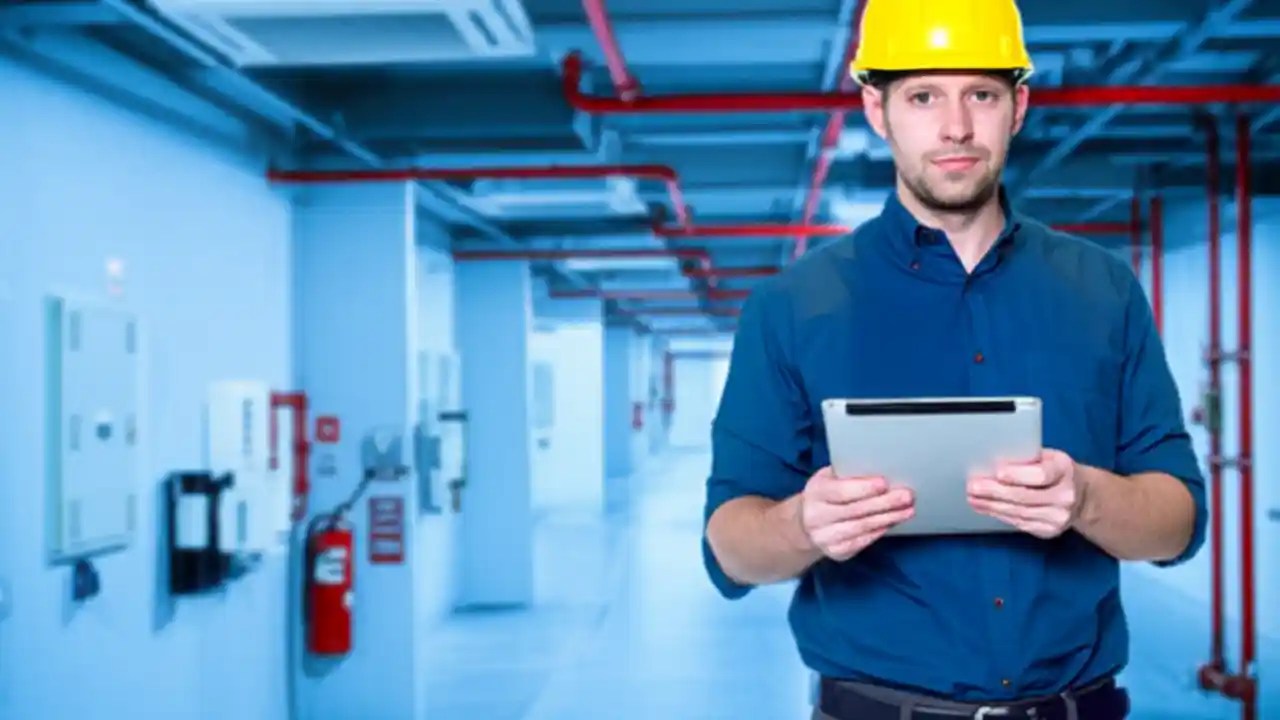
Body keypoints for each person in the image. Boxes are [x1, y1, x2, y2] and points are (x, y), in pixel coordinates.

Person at [700, 1, 1208, 719]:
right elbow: (730, 546)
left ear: (1018, 105)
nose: (956, 127)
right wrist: (802, 526)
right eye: (922, 96)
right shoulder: (790, 306)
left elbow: (1179, 521)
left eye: (981, 94)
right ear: (876, 109)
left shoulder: (1104, 290)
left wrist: (1087, 499)